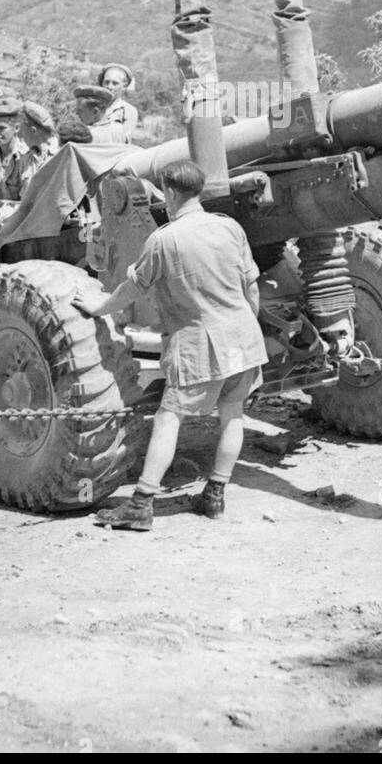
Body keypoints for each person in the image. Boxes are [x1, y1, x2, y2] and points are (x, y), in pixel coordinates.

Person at [75, 158, 267, 530]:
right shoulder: (230, 227)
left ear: (173, 193)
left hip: (199, 343)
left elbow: (131, 289)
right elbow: (252, 287)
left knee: (168, 418)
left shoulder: (164, 240)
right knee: (232, 414)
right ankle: (214, 496)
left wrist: (98, 306)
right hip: (243, 338)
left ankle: (142, 504)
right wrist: (247, 327)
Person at [97, 64, 139, 143]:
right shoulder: (92, 107)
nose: (109, 87)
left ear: (124, 86)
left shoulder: (128, 111)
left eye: (115, 83)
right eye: (107, 82)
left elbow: (124, 140)